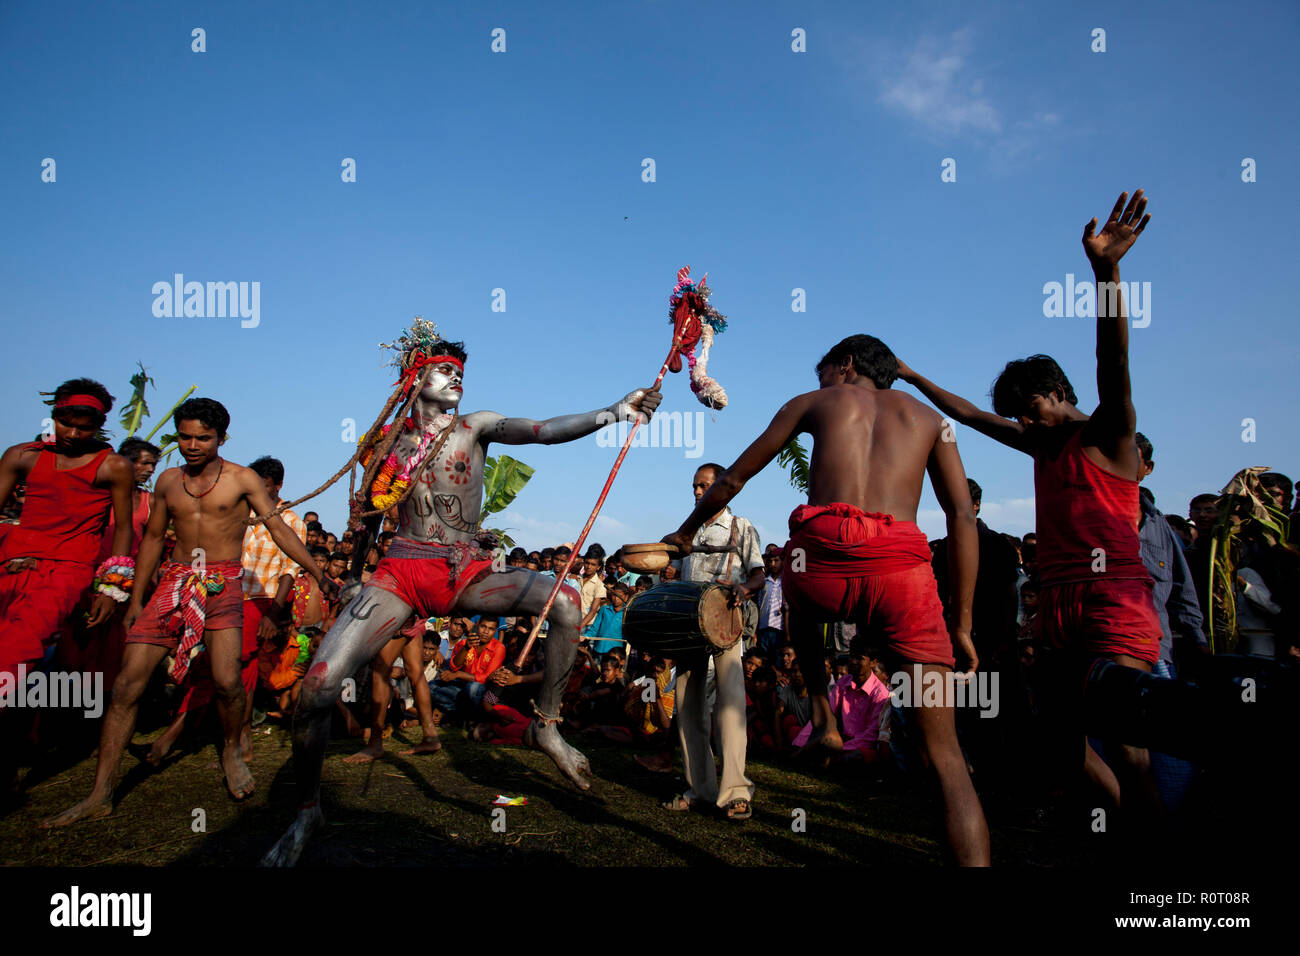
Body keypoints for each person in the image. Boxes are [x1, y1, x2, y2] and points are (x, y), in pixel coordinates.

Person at [264, 320, 660, 865]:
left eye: (460, 372)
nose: (456, 380)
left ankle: (546, 727)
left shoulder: (475, 427)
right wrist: (353, 573)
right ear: (413, 376)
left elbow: (543, 429)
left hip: (465, 571)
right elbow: (367, 521)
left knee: (565, 603)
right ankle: (307, 810)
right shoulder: (382, 446)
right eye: (444, 370)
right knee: (317, 689)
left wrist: (615, 411)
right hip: (398, 575)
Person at [662, 329, 987, 864]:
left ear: (846, 364)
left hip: (823, 565)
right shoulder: (932, 420)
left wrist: (686, 530)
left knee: (801, 582)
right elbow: (961, 516)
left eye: (824, 372)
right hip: (902, 571)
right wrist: (963, 624)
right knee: (947, 757)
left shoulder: (816, 402)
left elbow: (736, 476)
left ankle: (822, 714)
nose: (821, 382)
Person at [898, 189, 1164, 838]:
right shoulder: (1040, 441)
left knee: (1128, 740)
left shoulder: (1109, 431)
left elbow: (1114, 359)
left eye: (1027, 408)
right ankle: (1125, 831)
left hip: (1114, 597)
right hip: (1057, 604)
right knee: (1061, 742)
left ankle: (1157, 858)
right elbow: (967, 414)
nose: (1018, 422)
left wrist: (1106, 273)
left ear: (1055, 393)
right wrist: (908, 373)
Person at [43, 398, 323, 826]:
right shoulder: (169, 481)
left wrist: (315, 569)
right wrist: (136, 599)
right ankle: (100, 793)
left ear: (222, 439)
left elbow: (278, 527)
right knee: (125, 686)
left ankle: (231, 751)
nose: (192, 445)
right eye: (185, 436)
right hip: (172, 582)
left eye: (203, 438)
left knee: (230, 683)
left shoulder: (242, 479)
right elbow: (154, 538)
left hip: (224, 583)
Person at [0, 380, 135, 796]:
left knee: (12, 659)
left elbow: (124, 531)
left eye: (84, 427)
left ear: (101, 424)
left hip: (67, 572)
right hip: (11, 563)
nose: (74, 434)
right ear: (54, 416)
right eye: (66, 423)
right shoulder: (21, 457)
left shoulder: (114, 467)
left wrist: (110, 590)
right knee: (17, 670)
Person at [659, 462, 764, 820]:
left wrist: (745, 589)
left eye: (705, 486)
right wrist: (669, 570)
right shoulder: (686, 533)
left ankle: (736, 792)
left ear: (724, 488)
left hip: (726, 625)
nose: (698, 493)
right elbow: (671, 573)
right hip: (690, 628)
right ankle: (699, 789)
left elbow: (759, 576)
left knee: (731, 707)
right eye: (695, 487)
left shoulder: (741, 527)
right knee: (687, 707)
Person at [755, 543, 786, 653]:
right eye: (770, 561)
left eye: (776, 561)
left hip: (779, 629)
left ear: (782, 561)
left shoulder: (785, 582)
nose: (773, 564)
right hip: (763, 628)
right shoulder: (764, 582)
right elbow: (758, 605)